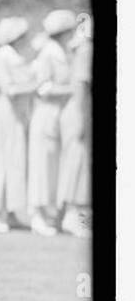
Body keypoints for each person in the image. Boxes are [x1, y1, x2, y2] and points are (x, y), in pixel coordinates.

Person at [0, 17, 38, 233]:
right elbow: (8, 88)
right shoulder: (4, 55)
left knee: (17, 162)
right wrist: (36, 85)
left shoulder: (16, 56)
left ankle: (11, 212)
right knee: (3, 160)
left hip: (20, 114)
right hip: (8, 115)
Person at [25, 9, 77, 236]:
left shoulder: (63, 52)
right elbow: (44, 88)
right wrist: (72, 90)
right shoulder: (48, 54)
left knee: (55, 167)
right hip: (47, 113)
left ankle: (51, 213)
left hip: (61, 115)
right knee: (42, 166)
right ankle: (37, 214)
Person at [56, 22, 92, 238]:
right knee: (77, 164)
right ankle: (72, 217)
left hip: (80, 111)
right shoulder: (86, 50)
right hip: (79, 112)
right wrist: (81, 118)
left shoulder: (83, 49)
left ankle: (72, 216)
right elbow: (80, 86)